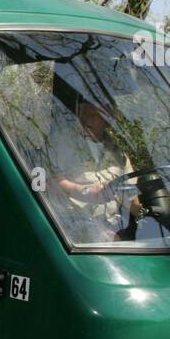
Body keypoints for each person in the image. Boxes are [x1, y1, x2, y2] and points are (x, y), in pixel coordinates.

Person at [52, 98, 138, 236]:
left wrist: (150, 215)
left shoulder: (119, 156)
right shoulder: (62, 142)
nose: (86, 119)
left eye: (94, 114)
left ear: (108, 119)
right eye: (84, 113)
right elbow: (45, 180)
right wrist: (85, 192)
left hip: (112, 229)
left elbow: (132, 200)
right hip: (69, 229)